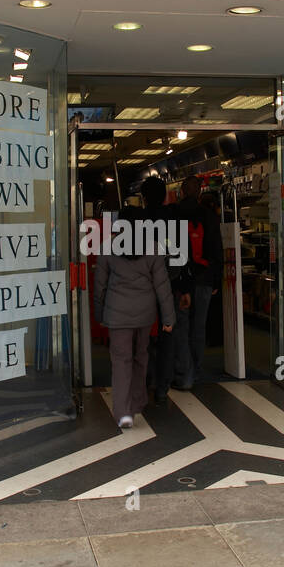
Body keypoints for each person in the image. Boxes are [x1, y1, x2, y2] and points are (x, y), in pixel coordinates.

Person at [93, 205, 175, 429]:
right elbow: (162, 288)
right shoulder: (152, 249)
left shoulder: (107, 248)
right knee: (141, 356)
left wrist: (99, 314)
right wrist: (168, 318)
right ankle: (138, 402)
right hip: (144, 314)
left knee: (121, 361)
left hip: (117, 315)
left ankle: (123, 413)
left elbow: (99, 287)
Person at [171, 175, 223, 389]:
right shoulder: (209, 217)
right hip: (203, 279)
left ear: (181, 192)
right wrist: (216, 279)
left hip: (179, 278)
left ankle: (184, 372)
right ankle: (197, 370)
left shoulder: (173, 214)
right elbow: (217, 250)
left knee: (181, 326)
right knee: (198, 327)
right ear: (200, 192)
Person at [141, 176, 179, 404]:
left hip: (143, 289)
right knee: (167, 335)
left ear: (144, 198)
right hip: (168, 286)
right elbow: (179, 257)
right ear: (165, 195)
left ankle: (148, 378)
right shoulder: (173, 219)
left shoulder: (138, 221)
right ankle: (163, 386)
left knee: (144, 336)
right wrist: (181, 288)